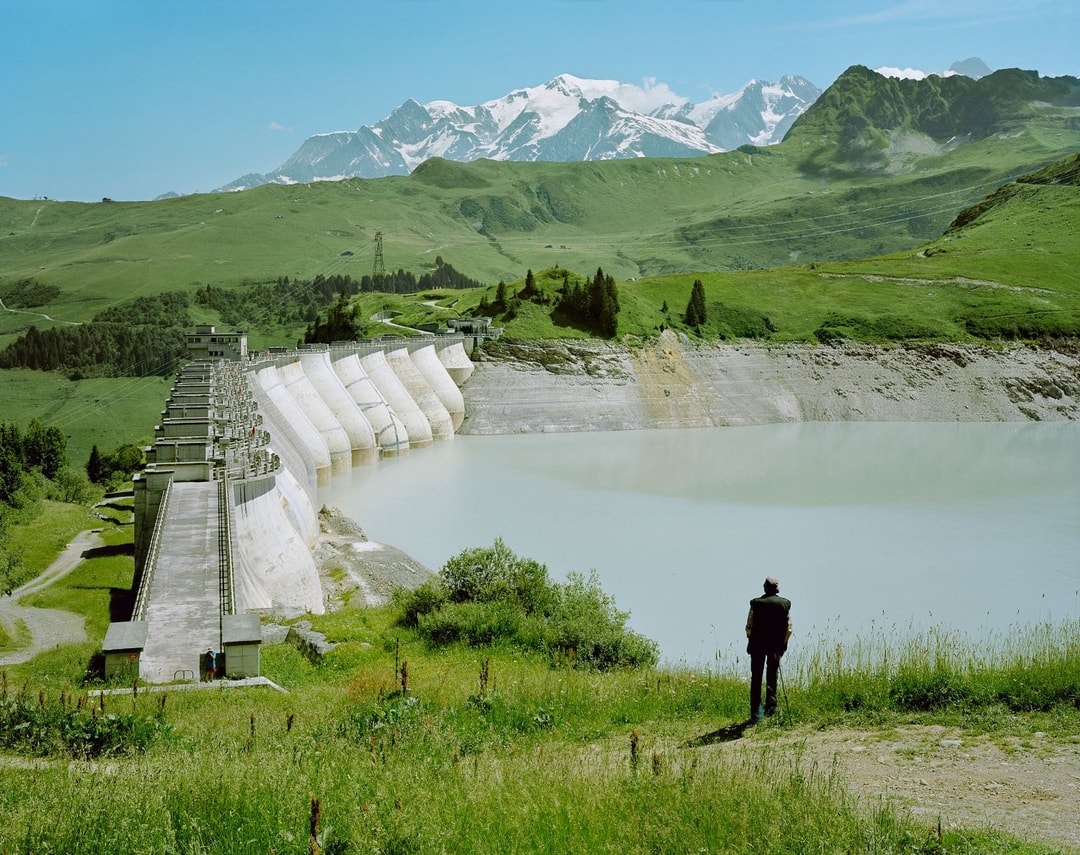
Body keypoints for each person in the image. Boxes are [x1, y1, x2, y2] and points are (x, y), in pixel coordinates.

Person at [745, 576, 792, 722]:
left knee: (756, 678)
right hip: (775, 647)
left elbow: (749, 627)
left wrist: (751, 639)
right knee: (772, 677)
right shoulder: (785, 604)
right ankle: (771, 711)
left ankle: (756, 715)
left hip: (757, 646)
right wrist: (782, 645)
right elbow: (789, 629)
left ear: (764, 588)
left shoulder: (756, 603)